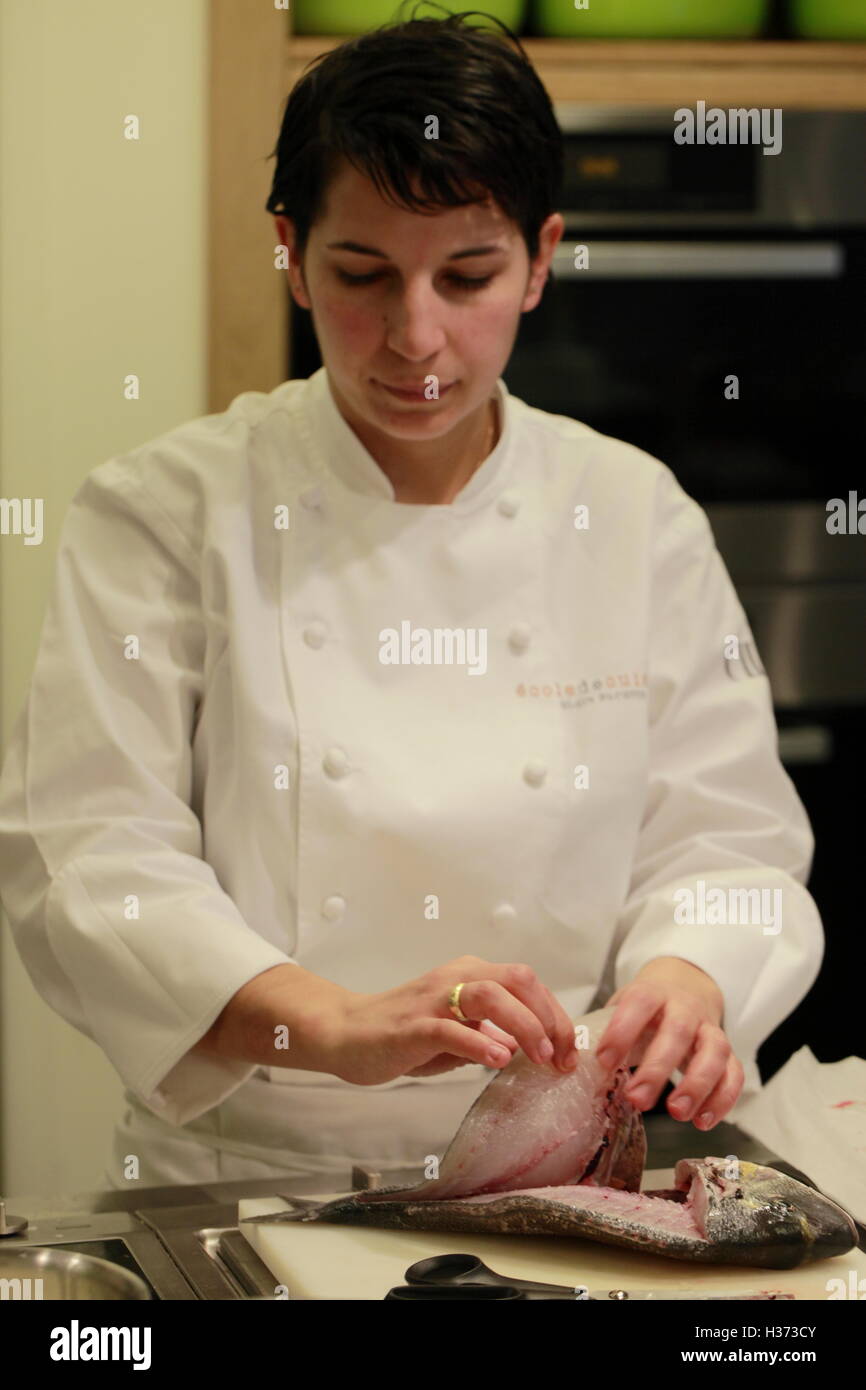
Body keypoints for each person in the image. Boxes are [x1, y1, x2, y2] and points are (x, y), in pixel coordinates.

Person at [0, 12, 822, 1189]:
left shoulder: (631, 513)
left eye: (467, 276)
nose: (415, 336)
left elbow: (730, 841)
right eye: (361, 274)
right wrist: (327, 1021)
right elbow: (90, 856)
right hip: (250, 1175)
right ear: (290, 252)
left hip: (562, 1176)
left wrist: (688, 975)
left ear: (539, 260)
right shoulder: (164, 512)